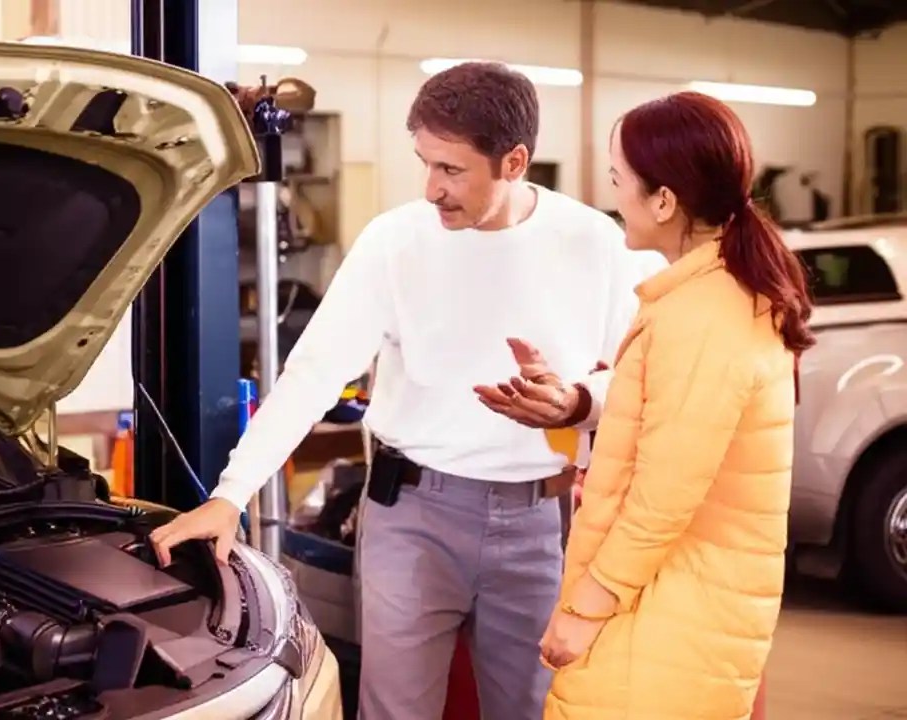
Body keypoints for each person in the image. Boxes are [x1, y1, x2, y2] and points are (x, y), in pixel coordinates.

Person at [149, 61, 661, 720]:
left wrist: (578, 404)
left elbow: (637, 378)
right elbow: (312, 374)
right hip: (414, 517)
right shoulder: (395, 243)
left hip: (537, 522)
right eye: (424, 163)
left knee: (534, 710)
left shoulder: (591, 242)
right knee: (396, 711)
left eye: (451, 170)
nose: (431, 189)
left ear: (513, 162)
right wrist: (230, 495)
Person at [478, 91, 811, 719]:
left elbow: (665, 496)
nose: (613, 197)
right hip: (667, 605)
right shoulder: (700, 299)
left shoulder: (706, 316)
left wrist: (585, 610)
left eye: (618, 180)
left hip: (667, 618)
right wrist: (576, 404)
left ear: (664, 199)